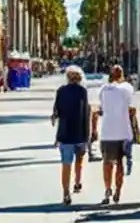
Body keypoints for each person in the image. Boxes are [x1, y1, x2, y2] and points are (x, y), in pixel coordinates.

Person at [92, 64, 137, 205]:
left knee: (107, 164)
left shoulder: (104, 90)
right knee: (120, 165)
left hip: (107, 132)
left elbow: (100, 108)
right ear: (122, 75)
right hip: (124, 132)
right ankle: (117, 191)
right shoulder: (128, 88)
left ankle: (107, 189)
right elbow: (132, 110)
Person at [51, 65, 91, 205]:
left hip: (65, 134)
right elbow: (86, 113)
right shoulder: (82, 91)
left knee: (66, 164)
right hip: (80, 133)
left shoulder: (61, 91)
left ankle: (66, 193)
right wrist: (88, 136)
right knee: (79, 160)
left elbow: (57, 111)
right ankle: (78, 182)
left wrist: (57, 135)